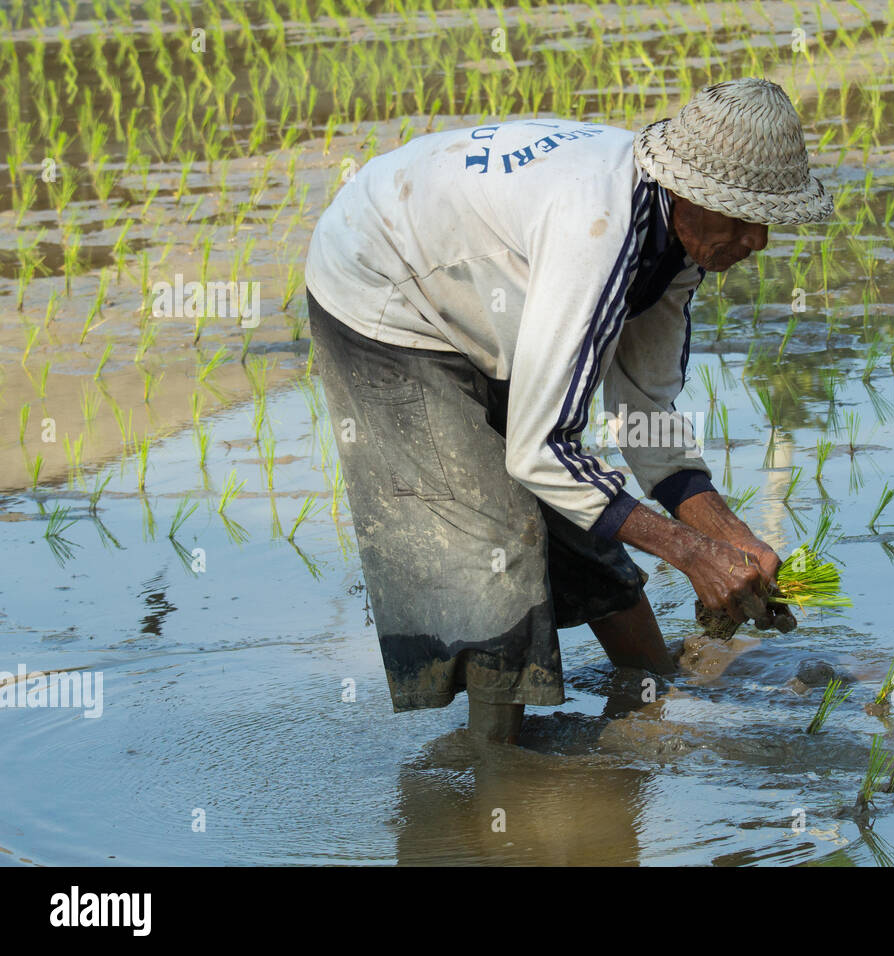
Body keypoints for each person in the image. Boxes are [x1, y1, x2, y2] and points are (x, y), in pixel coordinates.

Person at [304, 77, 834, 743]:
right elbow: (539, 450)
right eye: (741, 215)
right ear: (688, 191)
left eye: (765, 220)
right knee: (492, 546)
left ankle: (654, 697)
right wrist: (688, 552)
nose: (756, 239)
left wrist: (732, 538)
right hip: (383, 282)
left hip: (479, 280)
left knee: (581, 514)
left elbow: (645, 413)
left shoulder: (680, 245)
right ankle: (495, 779)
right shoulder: (599, 231)